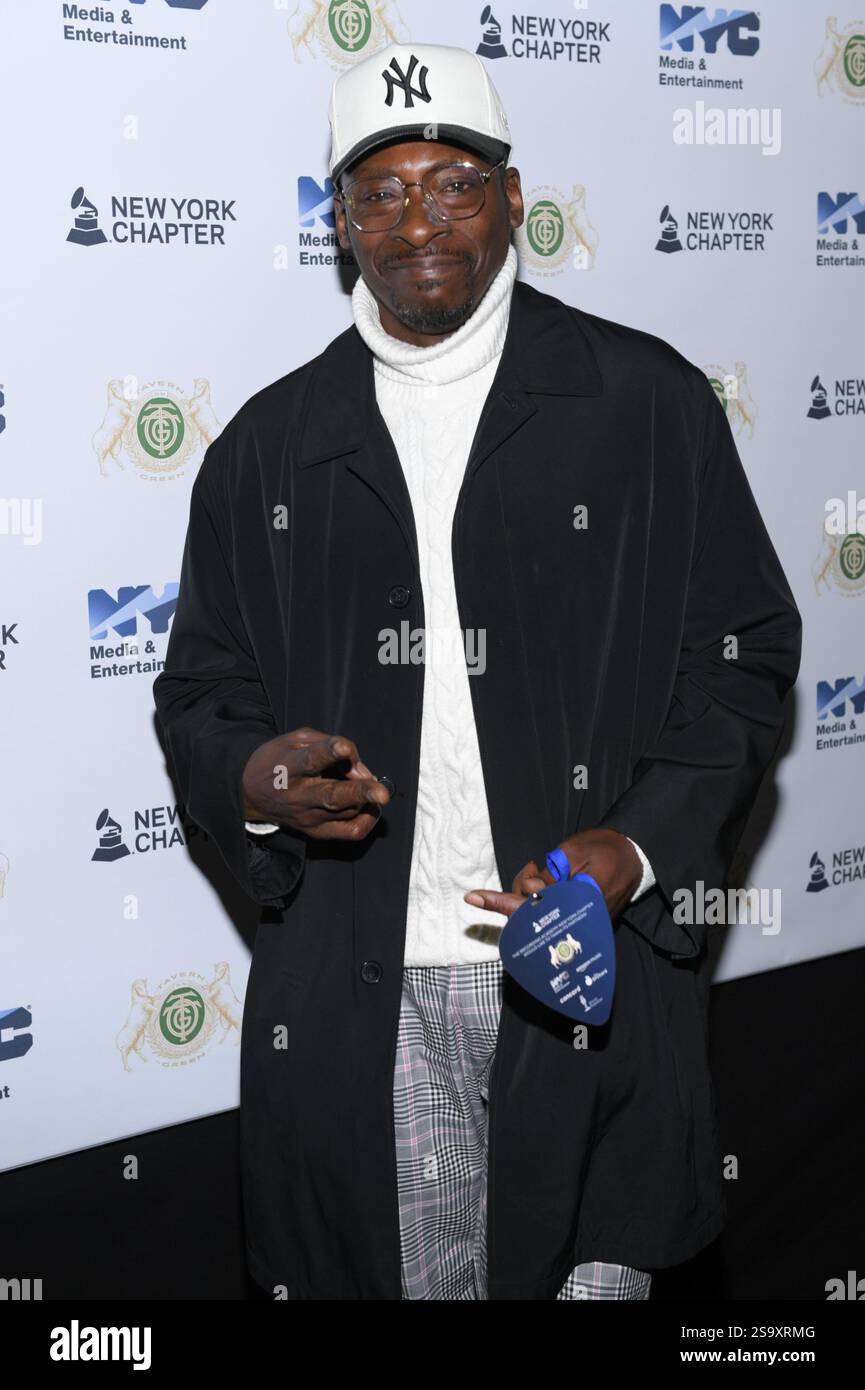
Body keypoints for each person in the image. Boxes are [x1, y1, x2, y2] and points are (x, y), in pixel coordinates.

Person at [153, 42, 802, 1301]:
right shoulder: (265, 449)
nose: (417, 220)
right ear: (338, 223)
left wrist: (631, 847)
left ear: (514, 198)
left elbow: (740, 660)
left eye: (452, 181)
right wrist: (250, 771)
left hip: (583, 973)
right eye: (380, 192)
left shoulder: (645, 402)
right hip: (361, 990)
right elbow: (200, 689)